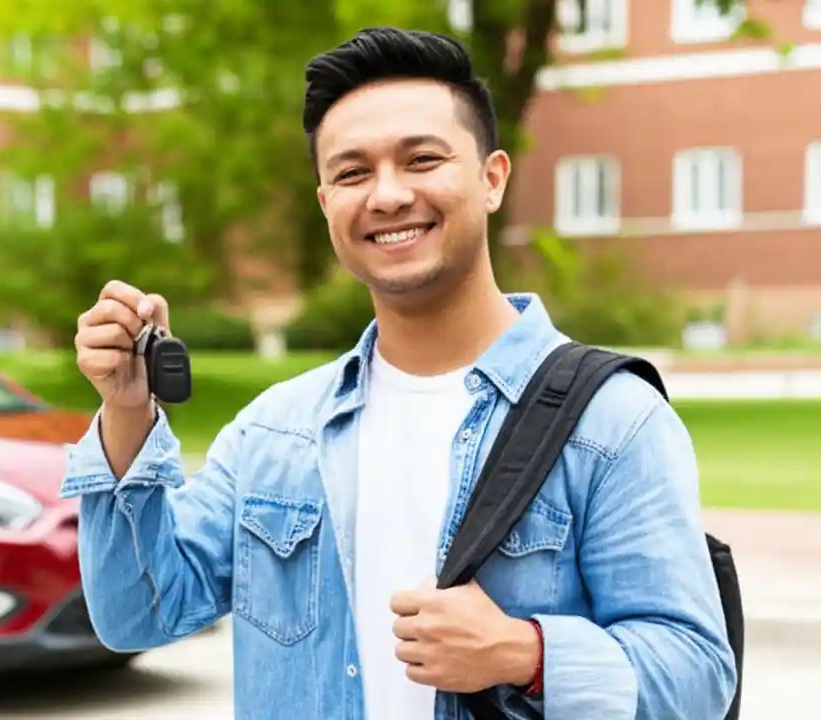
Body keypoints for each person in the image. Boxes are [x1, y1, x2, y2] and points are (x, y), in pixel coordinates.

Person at [62, 26, 737, 720]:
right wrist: (126, 412)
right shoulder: (275, 431)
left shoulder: (613, 423)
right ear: (327, 204)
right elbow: (138, 613)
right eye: (352, 173)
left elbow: (697, 678)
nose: (386, 196)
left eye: (421, 159)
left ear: (492, 177)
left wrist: (524, 654)